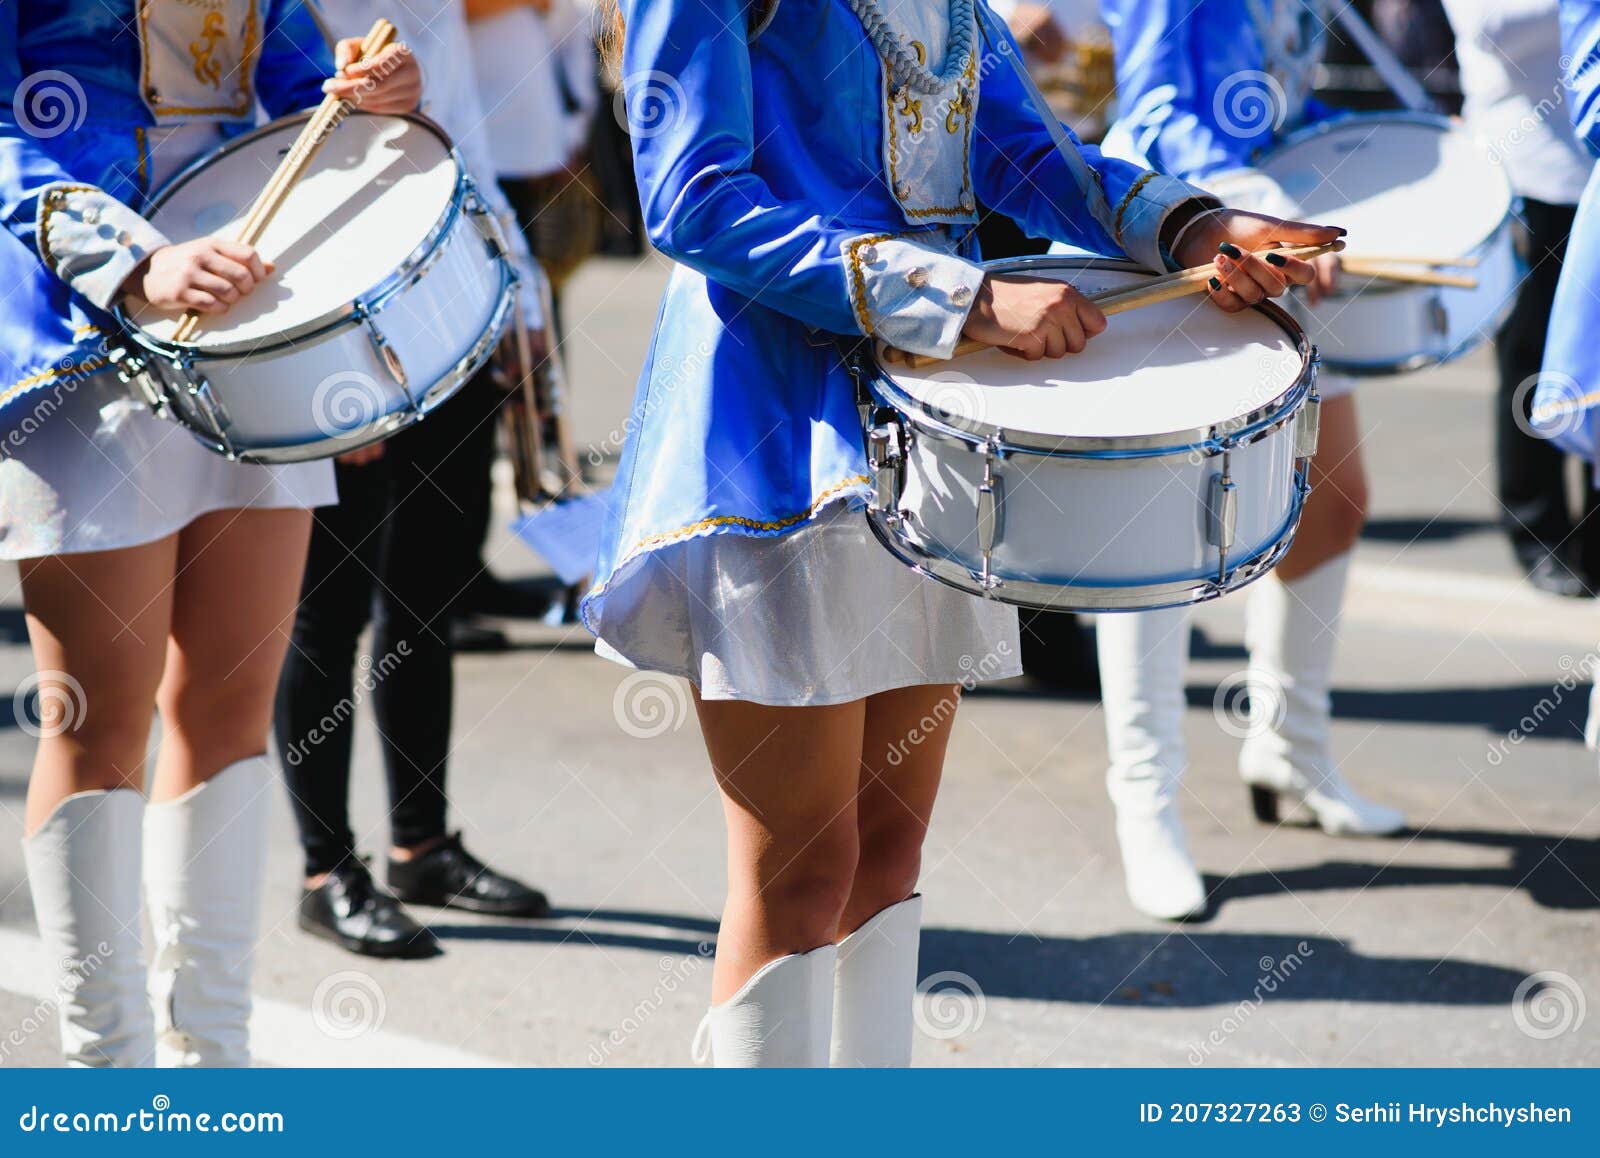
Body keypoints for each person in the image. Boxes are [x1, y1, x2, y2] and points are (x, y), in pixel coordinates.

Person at [584, 0, 1340, 1065]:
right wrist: (967, 298)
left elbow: (1025, 155)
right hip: (779, 435)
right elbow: (694, 200)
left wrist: (1196, 228)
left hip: (935, 430)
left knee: (888, 852)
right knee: (799, 869)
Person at [1, 0, 418, 1066]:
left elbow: (293, 95)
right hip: (79, 335)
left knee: (231, 705)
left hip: (251, 326)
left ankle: (211, 1070)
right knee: (100, 725)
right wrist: (136, 262)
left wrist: (371, 108)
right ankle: (108, 1084)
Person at [1091, 0, 1405, 923]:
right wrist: (1249, 203)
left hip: (1276, 242)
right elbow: (1150, 108)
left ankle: (1290, 753)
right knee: (1159, 536)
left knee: (1334, 501)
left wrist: (1363, 171)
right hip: (1183, 240)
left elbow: (1287, 101)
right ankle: (1144, 803)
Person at [276, 0, 553, 961]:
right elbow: (265, 166)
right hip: (331, 316)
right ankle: (325, 870)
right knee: (327, 609)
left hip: (448, 294)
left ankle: (421, 846)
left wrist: (520, 276)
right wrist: (325, 360)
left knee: (428, 593)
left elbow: (464, 130)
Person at [1441, 0, 1597, 596]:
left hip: (1591, 175)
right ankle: (1538, 529)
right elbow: (1490, 26)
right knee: (1531, 357)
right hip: (1528, 174)